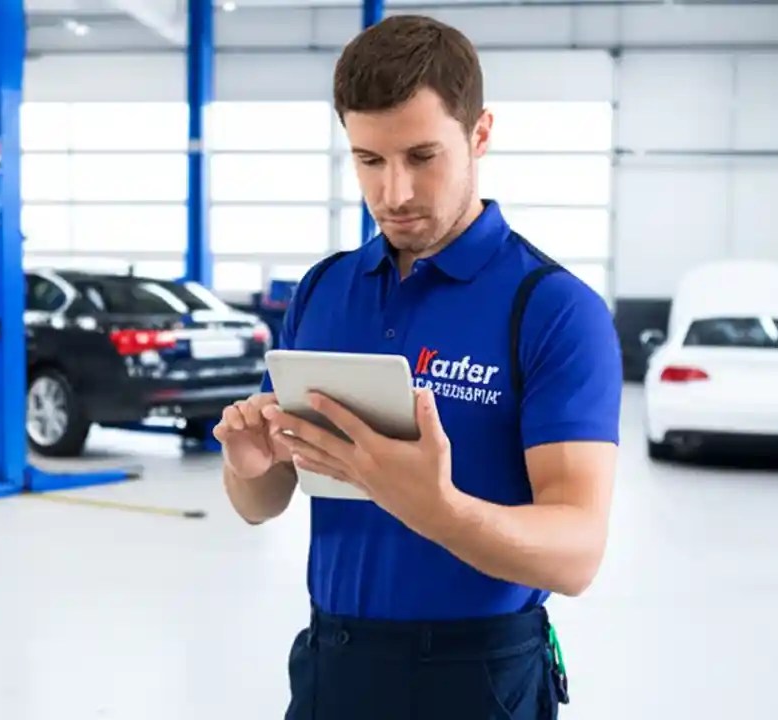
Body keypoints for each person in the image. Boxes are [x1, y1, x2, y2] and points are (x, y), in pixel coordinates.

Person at [214, 14, 621, 720]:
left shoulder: (553, 309)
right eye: (369, 160)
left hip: (478, 676)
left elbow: (576, 552)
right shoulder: (324, 290)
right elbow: (263, 503)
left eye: (422, 156)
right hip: (333, 661)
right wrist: (249, 468)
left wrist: (438, 509)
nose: (394, 193)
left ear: (480, 135)